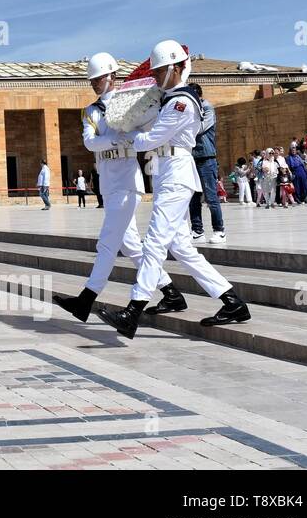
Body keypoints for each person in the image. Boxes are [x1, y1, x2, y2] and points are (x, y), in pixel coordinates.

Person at [96, 41, 250, 338]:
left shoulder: (181, 102)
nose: (154, 76)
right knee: (181, 247)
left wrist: (130, 134)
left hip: (176, 174)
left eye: (159, 71)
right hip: (167, 172)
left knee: (155, 242)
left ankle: (133, 310)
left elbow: (151, 139)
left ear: (176, 68)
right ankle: (232, 302)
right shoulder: (169, 100)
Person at [53, 52, 178, 323]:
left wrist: (127, 137)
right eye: (92, 80)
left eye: (98, 78)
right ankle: (170, 292)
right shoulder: (91, 111)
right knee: (131, 245)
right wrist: (114, 140)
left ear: (112, 76)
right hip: (108, 181)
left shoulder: (131, 102)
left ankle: (86, 299)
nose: (95, 84)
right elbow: (89, 142)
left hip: (127, 181)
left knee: (107, 243)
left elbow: (147, 133)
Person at [186, 84, 225, 244]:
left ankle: (219, 230)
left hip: (206, 157)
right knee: (194, 197)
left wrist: (183, 122)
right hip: (192, 157)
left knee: (211, 197)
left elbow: (200, 128)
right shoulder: (189, 109)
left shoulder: (207, 108)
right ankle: (197, 231)